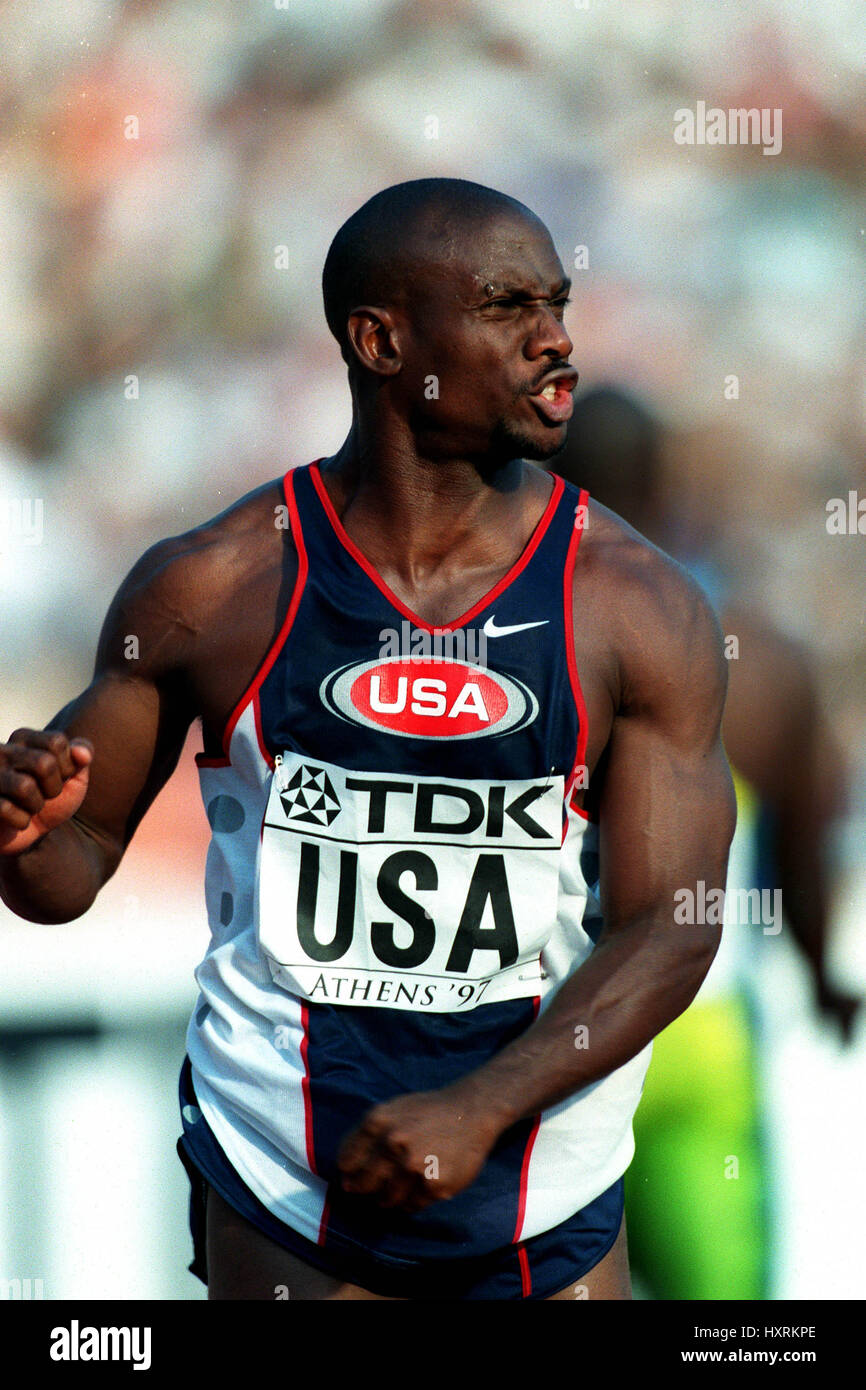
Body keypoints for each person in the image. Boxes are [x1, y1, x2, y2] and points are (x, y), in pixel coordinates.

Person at [0, 179, 735, 1301]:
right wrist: (23, 831)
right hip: (285, 1164)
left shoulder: (635, 606)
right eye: (504, 306)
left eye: (557, 302)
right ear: (381, 340)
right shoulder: (210, 586)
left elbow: (670, 931)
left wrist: (479, 1105)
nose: (554, 341)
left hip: (540, 1169)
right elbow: (67, 870)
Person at [552, 385, 859, 1299]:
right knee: (731, 1332)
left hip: (543, 1033)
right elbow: (805, 853)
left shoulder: (508, 642)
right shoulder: (756, 657)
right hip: (697, 1031)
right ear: (667, 484)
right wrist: (819, 975)